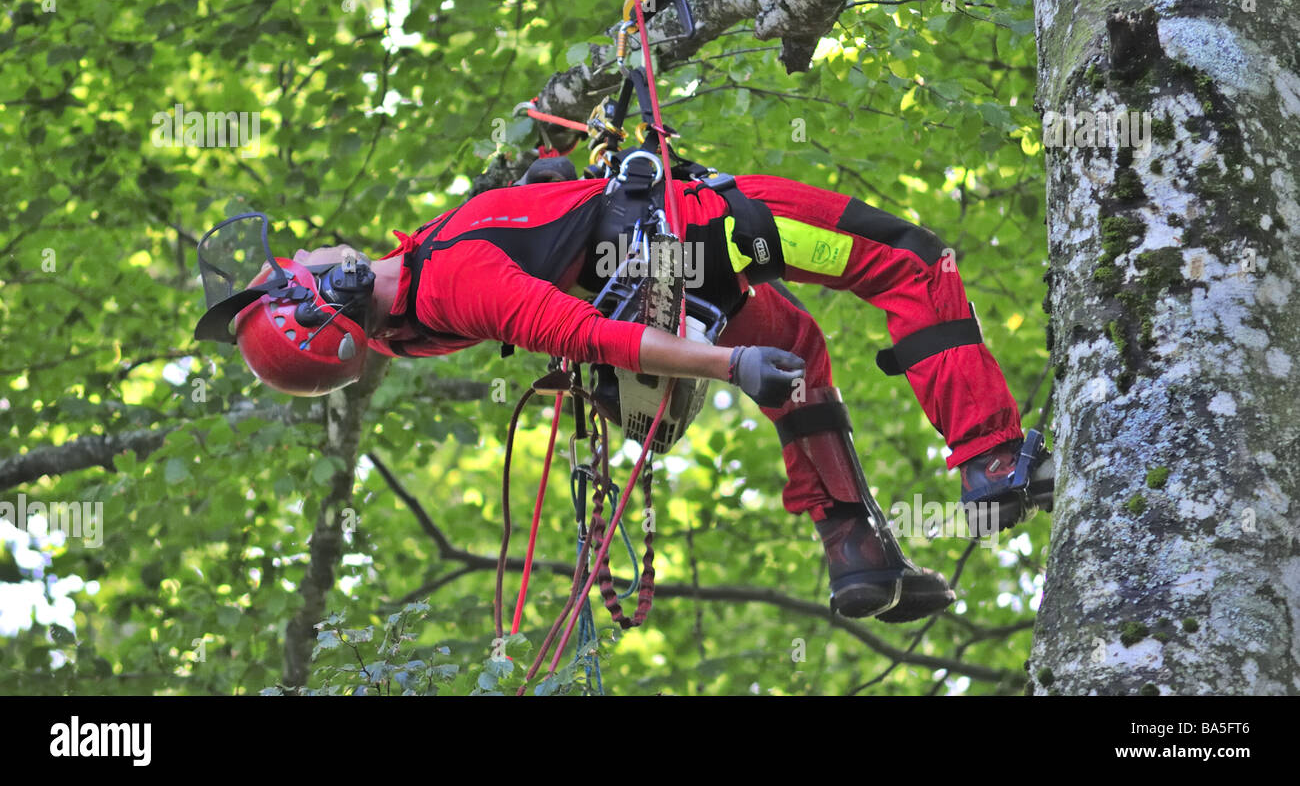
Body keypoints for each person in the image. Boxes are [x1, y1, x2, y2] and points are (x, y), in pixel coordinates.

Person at [195, 164, 1044, 623]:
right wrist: (723, 366)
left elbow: (530, 241)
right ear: (326, 294)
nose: (304, 254)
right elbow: (584, 332)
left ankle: (857, 552)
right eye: (297, 270)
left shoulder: (413, 286)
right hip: (710, 240)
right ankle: (991, 456)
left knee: (798, 347)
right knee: (908, 259)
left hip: (673, 260)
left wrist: (550, 182)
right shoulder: (453, 282)